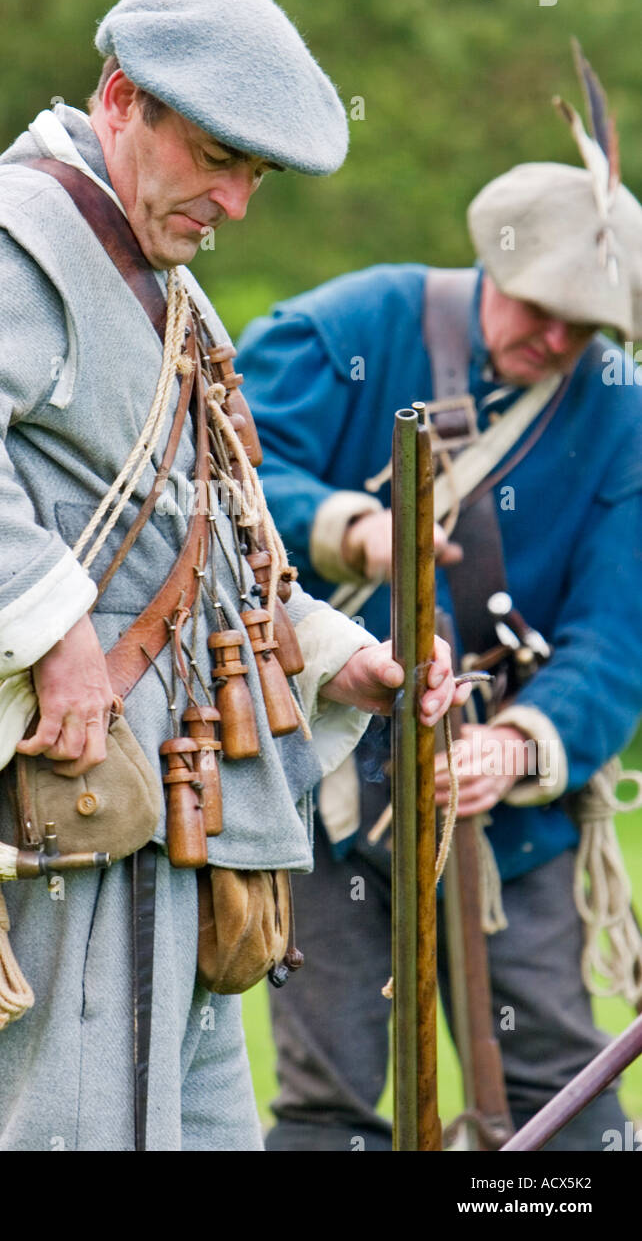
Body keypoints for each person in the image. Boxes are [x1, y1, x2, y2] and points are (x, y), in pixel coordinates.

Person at [0, 0, 466, 1152]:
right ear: (122, 97)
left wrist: (337, 662)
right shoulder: (21, 235)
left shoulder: (154, 275)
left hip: (172, 808)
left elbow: (211, 532)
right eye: (218, 158)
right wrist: (50, 636)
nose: (234, 201)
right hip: (86, 801)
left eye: (256, 177)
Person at [236, 107, 642, 1151]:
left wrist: (512, 746)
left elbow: (615, 634)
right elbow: (219, 479)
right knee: (327, 1098)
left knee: (564, 1088)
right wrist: (350, 528)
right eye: (543, 306)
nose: (555, 339)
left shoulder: (616, 411)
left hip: (504, 800)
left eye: (582, 326)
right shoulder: (349, 329)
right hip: (325, 771)